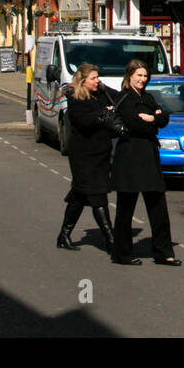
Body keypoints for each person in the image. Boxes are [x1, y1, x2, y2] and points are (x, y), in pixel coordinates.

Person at [110, 59, 180, 266]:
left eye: (145, 76)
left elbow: (164, 117)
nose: (142, 79)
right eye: (138, 75)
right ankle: (122, 253)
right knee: (126, 209)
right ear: (129, 75)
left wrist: (152, 119)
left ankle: (163, 252)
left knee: (158, 206)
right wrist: (152, 120)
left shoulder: (148, 98)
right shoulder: (124, 98)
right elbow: (134, 124)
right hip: (129, 158)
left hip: (149, 156)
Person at [56, 64, 127, 254]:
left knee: (80, 194)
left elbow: (120, 98)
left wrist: (106, 90)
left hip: (100, 153)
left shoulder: (100, 93)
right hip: (83, 156)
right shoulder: (75, 98)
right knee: (97, 195)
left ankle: (64, 235)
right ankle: (112, 241)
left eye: (98, 78)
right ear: (82, 81)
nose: (97, 81)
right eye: (93, 78)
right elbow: (84, 122)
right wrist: (104, 112)